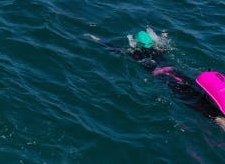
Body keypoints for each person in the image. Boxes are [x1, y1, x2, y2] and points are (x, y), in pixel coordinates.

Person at [89, 30, 225, 130]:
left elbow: (115, 49)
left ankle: (219, 119)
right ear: (150, 43)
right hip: (177, 73)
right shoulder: (159, 51)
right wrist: (165, 35)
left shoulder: (136, 53)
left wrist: (97, 39)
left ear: (138, 43)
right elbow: (164, 43)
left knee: (196, 102)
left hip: (164, 77)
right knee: (199, 95)